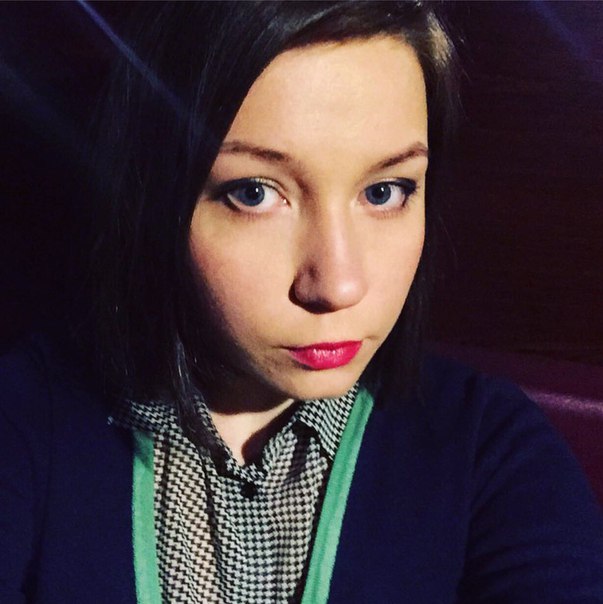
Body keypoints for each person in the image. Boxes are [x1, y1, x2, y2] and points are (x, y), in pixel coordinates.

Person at [1, 2, 602, 603]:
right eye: (253, 193)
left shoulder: (489, 451)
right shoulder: (28, 424)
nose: (337, 285)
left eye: (385, 191)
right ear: (154, 192)